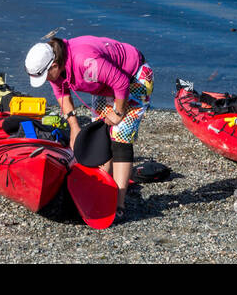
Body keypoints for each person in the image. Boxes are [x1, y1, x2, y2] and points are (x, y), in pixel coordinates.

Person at [25, 34, 153, 220]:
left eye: (46, 76)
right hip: (104, 85)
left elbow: (121, 82)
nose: (46, 80)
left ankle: (119, 203)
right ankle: (103, 188)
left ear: (54, 66)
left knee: (120, 137)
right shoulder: (55, 64)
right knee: (101, 135)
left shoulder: (85, 61)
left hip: (134, 76)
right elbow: (62, 95)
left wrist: (118, 113)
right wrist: (74, 126)